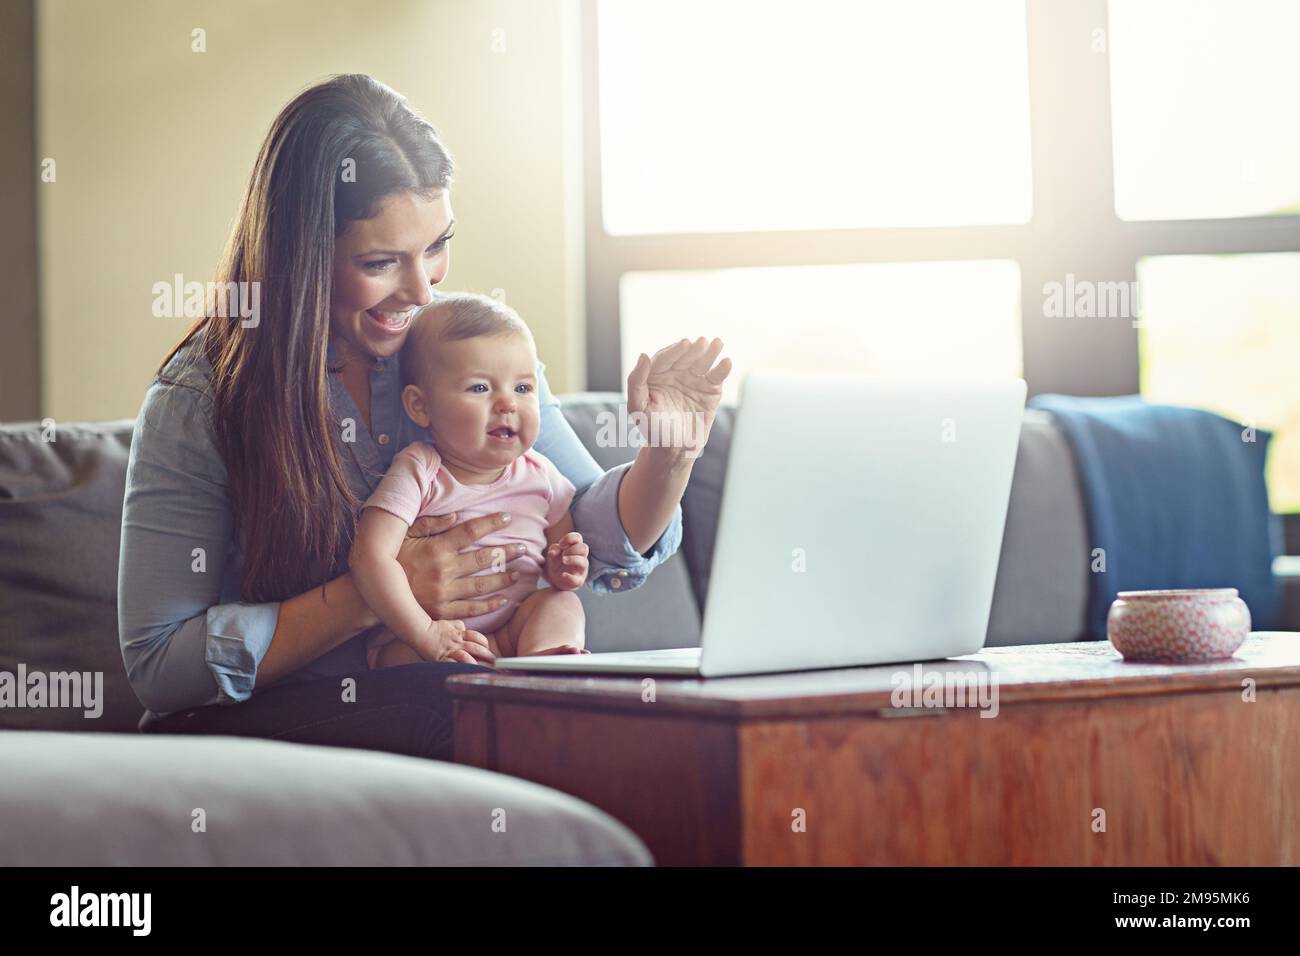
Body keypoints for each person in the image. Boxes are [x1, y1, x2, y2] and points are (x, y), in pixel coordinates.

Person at [118, 73, 731, 761]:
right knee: (477, 716)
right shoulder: (200, 398)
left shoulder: (457, 347)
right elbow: (160, 668)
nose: (419, 290)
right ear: (298, 258)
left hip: (441, 688)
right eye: (381, 262)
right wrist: (379, 590)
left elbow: (595, 536)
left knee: (623, 716)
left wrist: (668, 457)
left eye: (437, 245)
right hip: (257, 726)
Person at [351, 292, 595, 667]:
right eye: (480, 388)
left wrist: (566, 567)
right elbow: (370, 557)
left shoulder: (541, 473)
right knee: (400, 661)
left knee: (561, 603)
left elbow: (559, 552)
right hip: (429, 640)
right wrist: (426, 635)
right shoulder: (419, 470)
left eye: (523, 388)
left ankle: (547, 670)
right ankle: (510, 690)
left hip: (514, 631)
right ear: (421, 406)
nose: (507, 403)